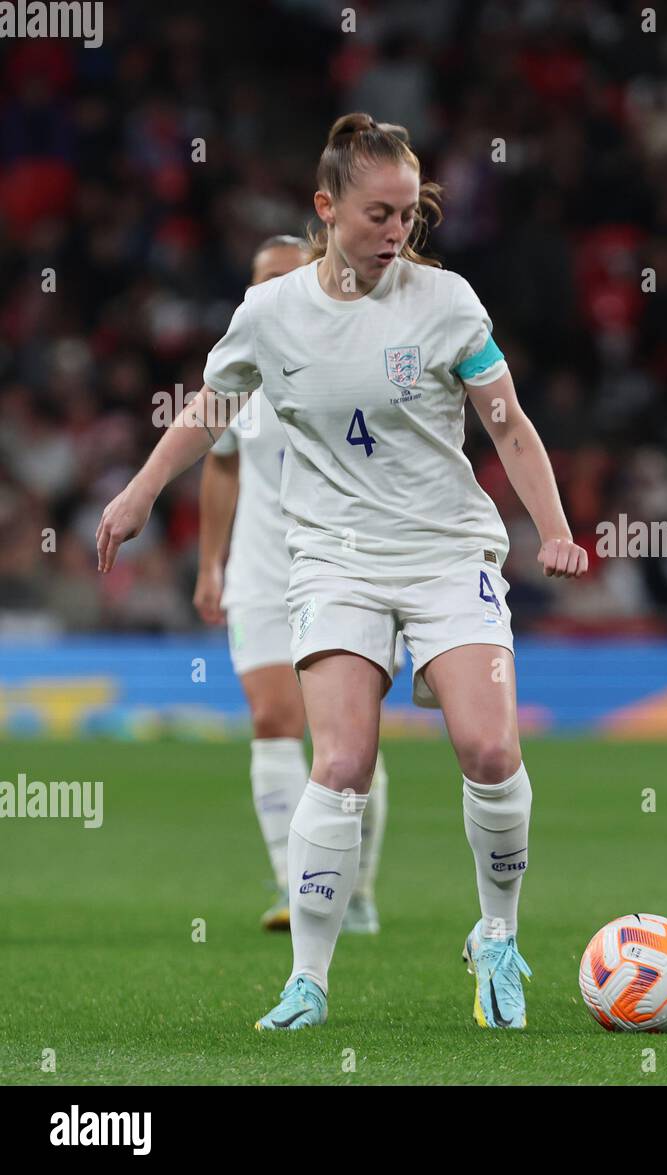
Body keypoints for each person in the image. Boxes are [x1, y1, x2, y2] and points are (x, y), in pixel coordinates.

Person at [98, 113, 587, 1032]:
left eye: (408, 215)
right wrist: (139, 494)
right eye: (377, 215)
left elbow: (509, 425)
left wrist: (553, 527)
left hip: (447, 551)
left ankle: (497, 935)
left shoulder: (446, 304)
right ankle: (309, 979)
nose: (396, 233)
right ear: (326, 209)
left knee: (489, 749)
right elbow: (210, 412)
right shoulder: (270, 315)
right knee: (343, 759)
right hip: (334, 558)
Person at [192, 234, 390, 936]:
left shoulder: (342, 363)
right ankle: (291, 882)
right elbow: (220, 468)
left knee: (351, 738)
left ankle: (356, 889)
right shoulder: (235, 373)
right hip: (259, 573)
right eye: (260, 278)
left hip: (341, 566)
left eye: (285, 275)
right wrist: (210, 562)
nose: (270, 290)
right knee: (274, 717)